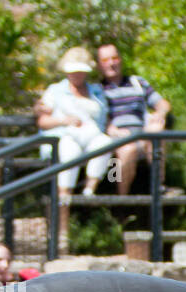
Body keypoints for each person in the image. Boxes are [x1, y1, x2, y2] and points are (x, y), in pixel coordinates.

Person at [35, 47, 112, 252]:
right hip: (66, 137)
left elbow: (105, 119)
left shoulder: (96, 91)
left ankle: (89, 190)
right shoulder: (55, 91)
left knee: (105, 144)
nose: (76, 74)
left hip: (92, 137)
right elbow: (42, 120)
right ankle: (63, 224)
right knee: (69, 152)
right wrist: (65, 120)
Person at [96, 44, 170, 196]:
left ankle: (159, 186)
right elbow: (98, 115)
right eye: (105, 60)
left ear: (121, 60)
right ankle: (121, 200)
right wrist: (112, 129)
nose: (111, 63)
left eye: (114, 58)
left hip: (142, 133)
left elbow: (162, 103)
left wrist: (160, 114)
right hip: (117, 138)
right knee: (126, 151)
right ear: (99, 65)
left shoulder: (138, 82)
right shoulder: (97, 89)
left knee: (156, 131)